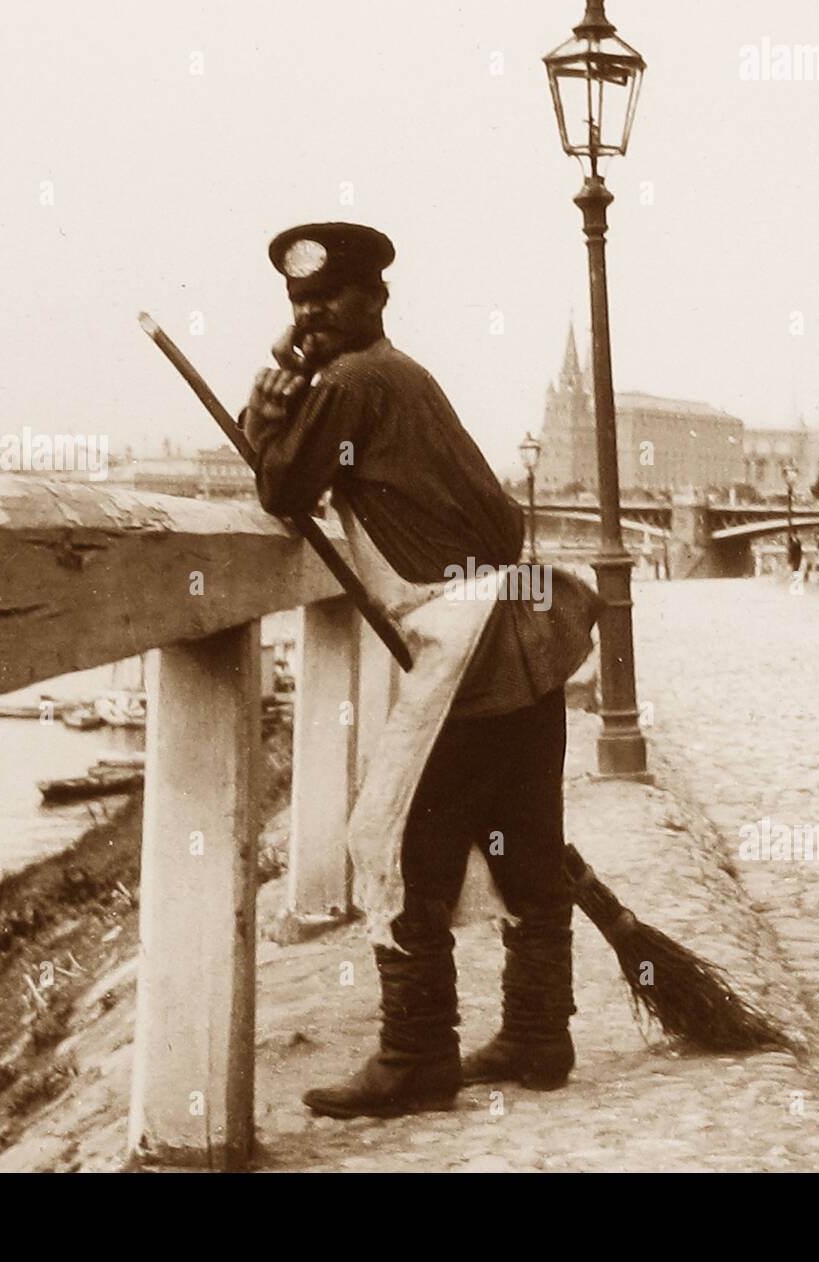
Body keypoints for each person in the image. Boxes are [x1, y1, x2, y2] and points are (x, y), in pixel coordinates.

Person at [240, 222, 604, 1119]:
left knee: (391, 843)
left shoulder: (353, 382)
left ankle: (414, 1057)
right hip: (520, 624)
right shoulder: (406, 378)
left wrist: (268, 389)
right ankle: (537, 1035)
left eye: (328, 298)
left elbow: (282, 490)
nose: (311, 312)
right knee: (522, 838)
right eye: (297, 302)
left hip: (467, 648)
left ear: (376, 301)